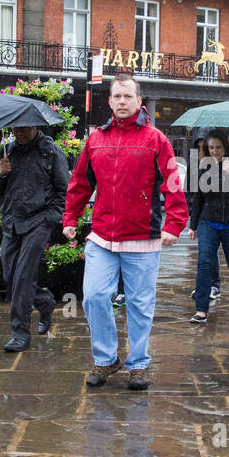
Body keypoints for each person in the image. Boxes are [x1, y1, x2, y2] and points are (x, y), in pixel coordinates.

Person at [62, 75, 187, 391]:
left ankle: (138, 365)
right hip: (102, 236)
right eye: (116, 96)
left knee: (140, 305)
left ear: (138, 101)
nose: (121, 101)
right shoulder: (96, 140)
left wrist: (174, 223)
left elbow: (173, 183)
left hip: (142, 238)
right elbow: (80, 182)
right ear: (109, 101)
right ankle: (105, 359)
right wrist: (70, 217)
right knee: (93, 296)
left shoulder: (156, 139)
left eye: (127, 96)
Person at [0, 121, 71, 352]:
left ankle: (20, 333)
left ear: (36, 126)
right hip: (12, 222)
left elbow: (63, 190)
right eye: (16, 128)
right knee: (10, 276)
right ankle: (45, 302)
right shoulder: (7, 152)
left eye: (25, 127)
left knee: (23, 278)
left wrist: (49, 218)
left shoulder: (50, 152)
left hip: (38, 222)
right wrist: (1, 174)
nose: (20, 132)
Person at [184, 130, 229, 323]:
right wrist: (193, 225)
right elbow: (198, 198)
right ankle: (201, 309)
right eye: (211, 148)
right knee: (204, 264)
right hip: (208, 222)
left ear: (225, 148)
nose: (214, 151)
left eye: (218, 148)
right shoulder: (202, 167)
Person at [188, 136, 222, 301]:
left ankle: (215, 285)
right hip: (202, 216)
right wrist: (192, 223)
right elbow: (192, 191)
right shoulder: (195, 165)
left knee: (211, 253)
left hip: (218, 218)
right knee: (205, 254)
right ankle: (205, 287)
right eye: (200, 149)